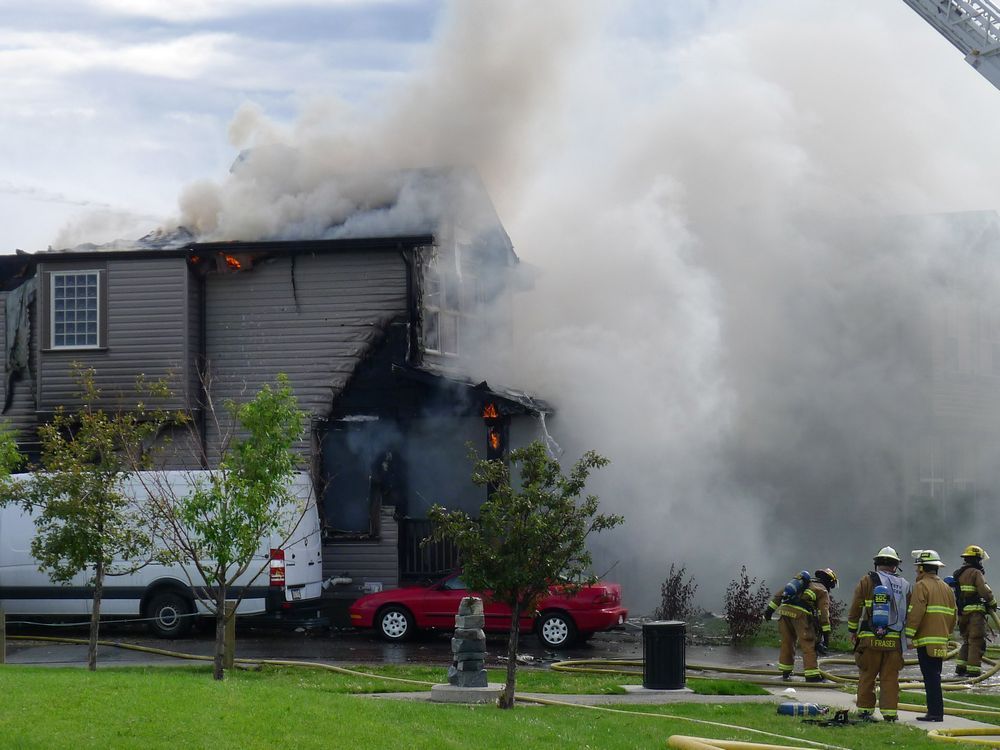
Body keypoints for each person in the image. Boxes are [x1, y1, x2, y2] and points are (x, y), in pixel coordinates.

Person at [846, 546, 911, 722]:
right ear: (895, 566)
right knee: (890, 678)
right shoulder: (905, 585)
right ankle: (890, 714)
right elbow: (909, 614)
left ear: (877, 564)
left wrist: (853, 630)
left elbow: (856, 608)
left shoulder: (867, 581)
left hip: (870, 638)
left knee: (867, 675)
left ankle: (865, 712)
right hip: (894, 641)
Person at [905, 549, 957, 723]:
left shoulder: (921, 586)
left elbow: (916, 612)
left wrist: (909, 635)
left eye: (917, 567)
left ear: (921, 568)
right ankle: (936, 712)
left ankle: (935, 713)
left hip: (926, 641)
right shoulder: (946, 588)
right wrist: (946, 634)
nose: (916, 570)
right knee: (935, 676)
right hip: (941, 640)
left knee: (930, 678)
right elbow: (954, 615)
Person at [764, 567, 836, 682]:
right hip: (800, 615)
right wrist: (826, 634)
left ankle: (786, 672)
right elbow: (824, 614)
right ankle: (812, 675)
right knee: (808, 643)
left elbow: (780, 594)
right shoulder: (822, 590)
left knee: (787, 641)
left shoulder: (802, 582)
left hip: (784, 612)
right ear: (830, 582)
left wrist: (769, 610)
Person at [953, 544, 995, 678]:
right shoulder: (976, 573)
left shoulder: (960, 573)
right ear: (977, 560)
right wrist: (992, 602)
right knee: (976, 641)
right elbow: (984, 590)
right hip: (975, 614)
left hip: (963, 614)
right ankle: (974, 670)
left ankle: (961, 667)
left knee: (967, 641)